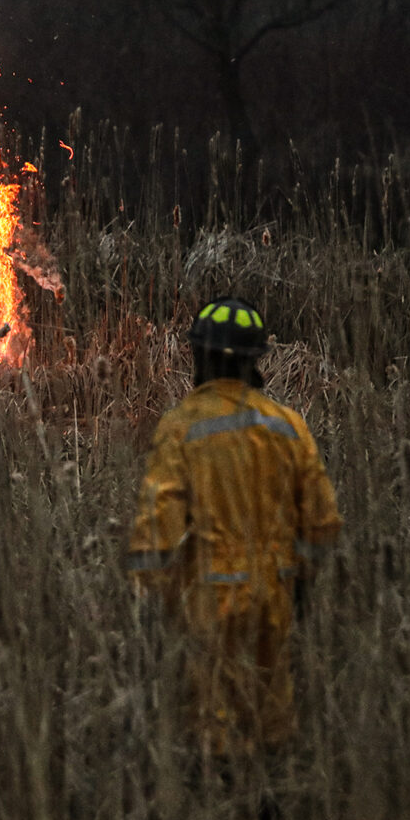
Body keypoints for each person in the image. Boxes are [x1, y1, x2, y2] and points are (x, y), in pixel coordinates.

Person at [128, 297, 342, 777]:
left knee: (213, 734)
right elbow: (323, 524)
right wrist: (299, 586)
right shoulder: (289, 427)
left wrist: (149, 610)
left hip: (208, 606)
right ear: (255, 360)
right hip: (274, 603)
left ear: (198, 357)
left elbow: (156, 534)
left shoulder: (182, 427)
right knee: (271, 730)